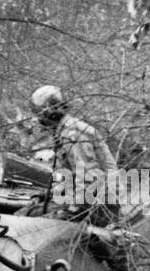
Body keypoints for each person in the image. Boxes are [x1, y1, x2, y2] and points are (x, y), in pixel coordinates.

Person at [29, 85, 119, 223]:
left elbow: (89, 178)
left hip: (101, 204)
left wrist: (71, 210)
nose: (38, 119)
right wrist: (48, 194)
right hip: (90, 198)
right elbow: (71, 177)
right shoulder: (63, 132)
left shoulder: (73, 134)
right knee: (30, 212)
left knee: (38, 224)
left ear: (48, 113)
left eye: (39, 113)